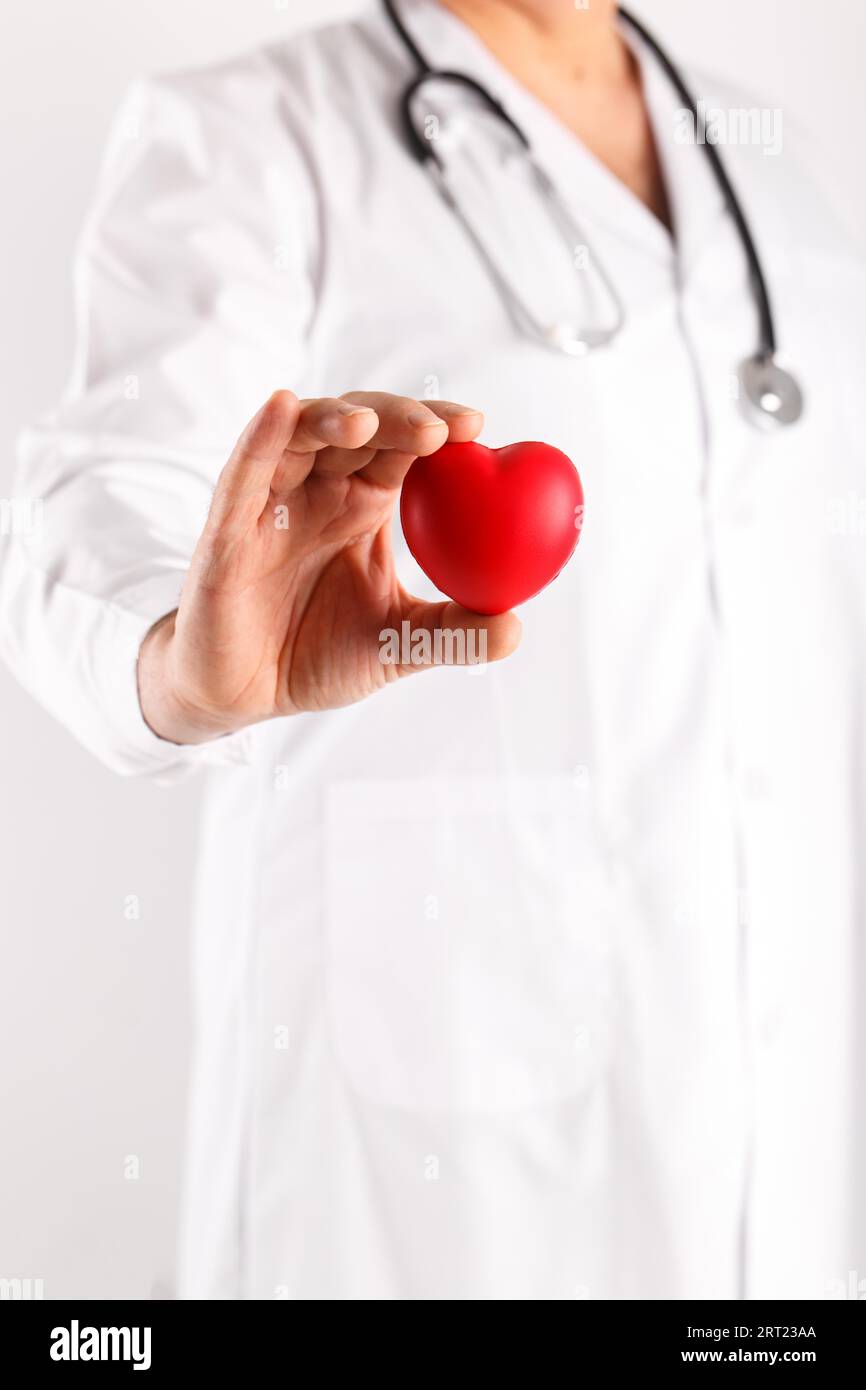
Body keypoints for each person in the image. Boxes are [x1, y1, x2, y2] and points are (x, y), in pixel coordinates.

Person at [2, 0, 865, 1300]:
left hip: (768, 1112)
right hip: (414, 1133)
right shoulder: (253, 137)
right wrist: (179, 659)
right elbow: (102, 496)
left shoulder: (772, 168)